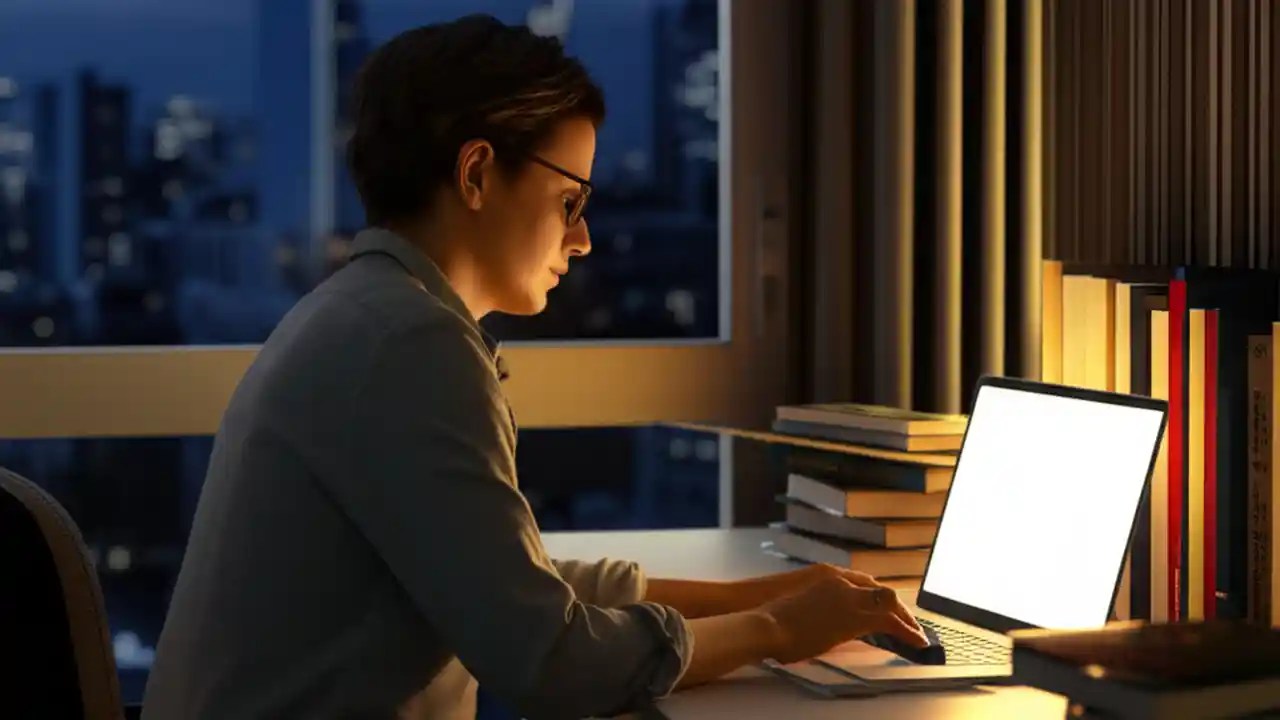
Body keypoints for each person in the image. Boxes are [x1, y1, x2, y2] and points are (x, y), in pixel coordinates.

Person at [141, 14, 928, 720]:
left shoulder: (360, 314)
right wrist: (777, 629)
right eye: (570, 201)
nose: (581, 240)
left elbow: (508, 586)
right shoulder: (410, 347)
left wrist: (765, 597)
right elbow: (552, 662)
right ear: (478, 174)